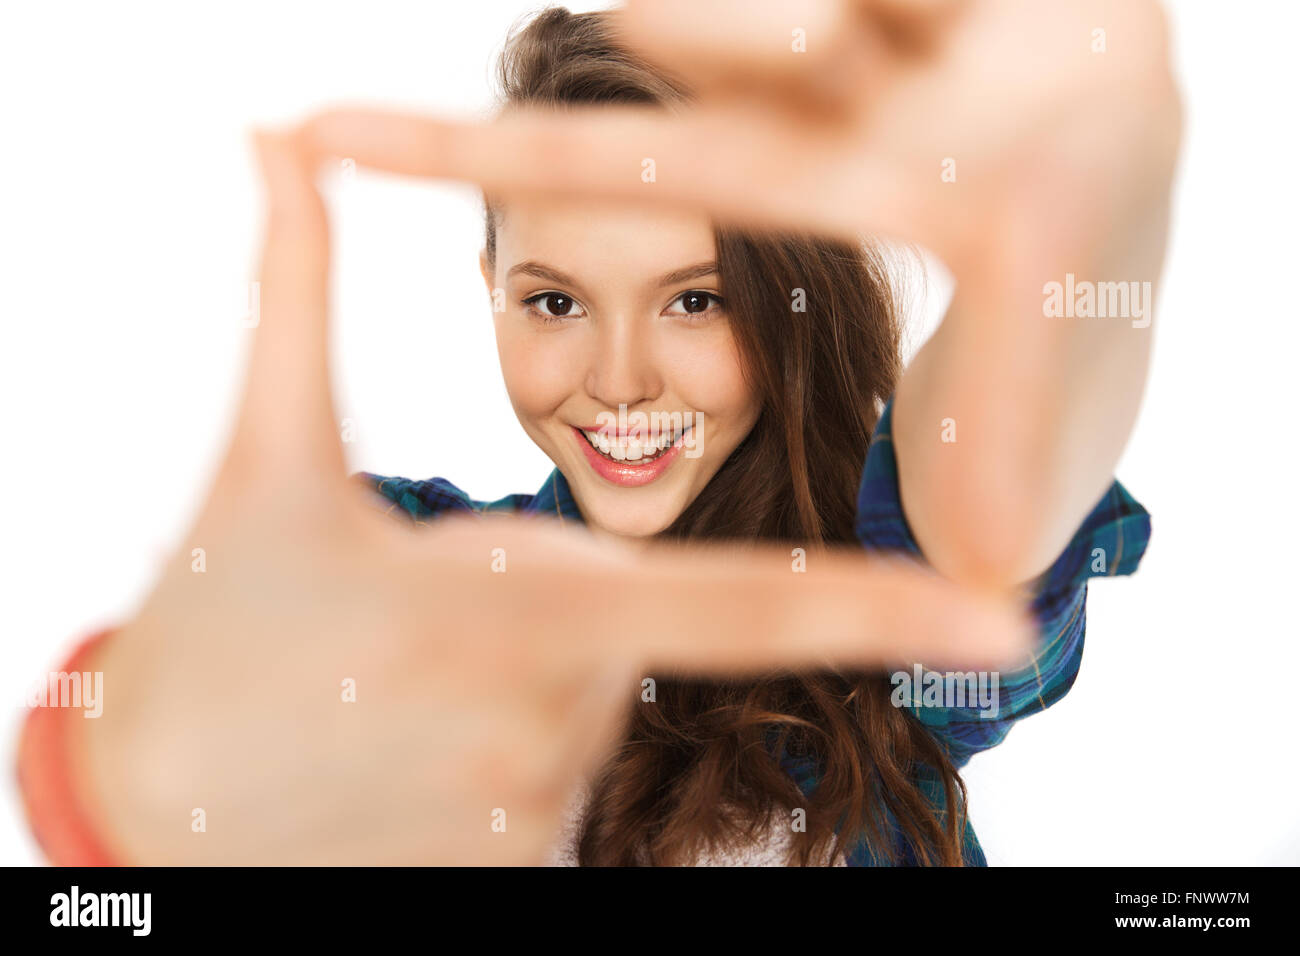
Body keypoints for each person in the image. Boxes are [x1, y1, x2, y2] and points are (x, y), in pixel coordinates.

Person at [17, 0, 1177, 866]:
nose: (617, 380)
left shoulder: (873, 624)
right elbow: (192, 746)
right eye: (555, 301)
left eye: (694, 298)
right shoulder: (417, 569)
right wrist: (141, 781)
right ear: (489, 283)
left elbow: (993, 513)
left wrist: (1070, 254)